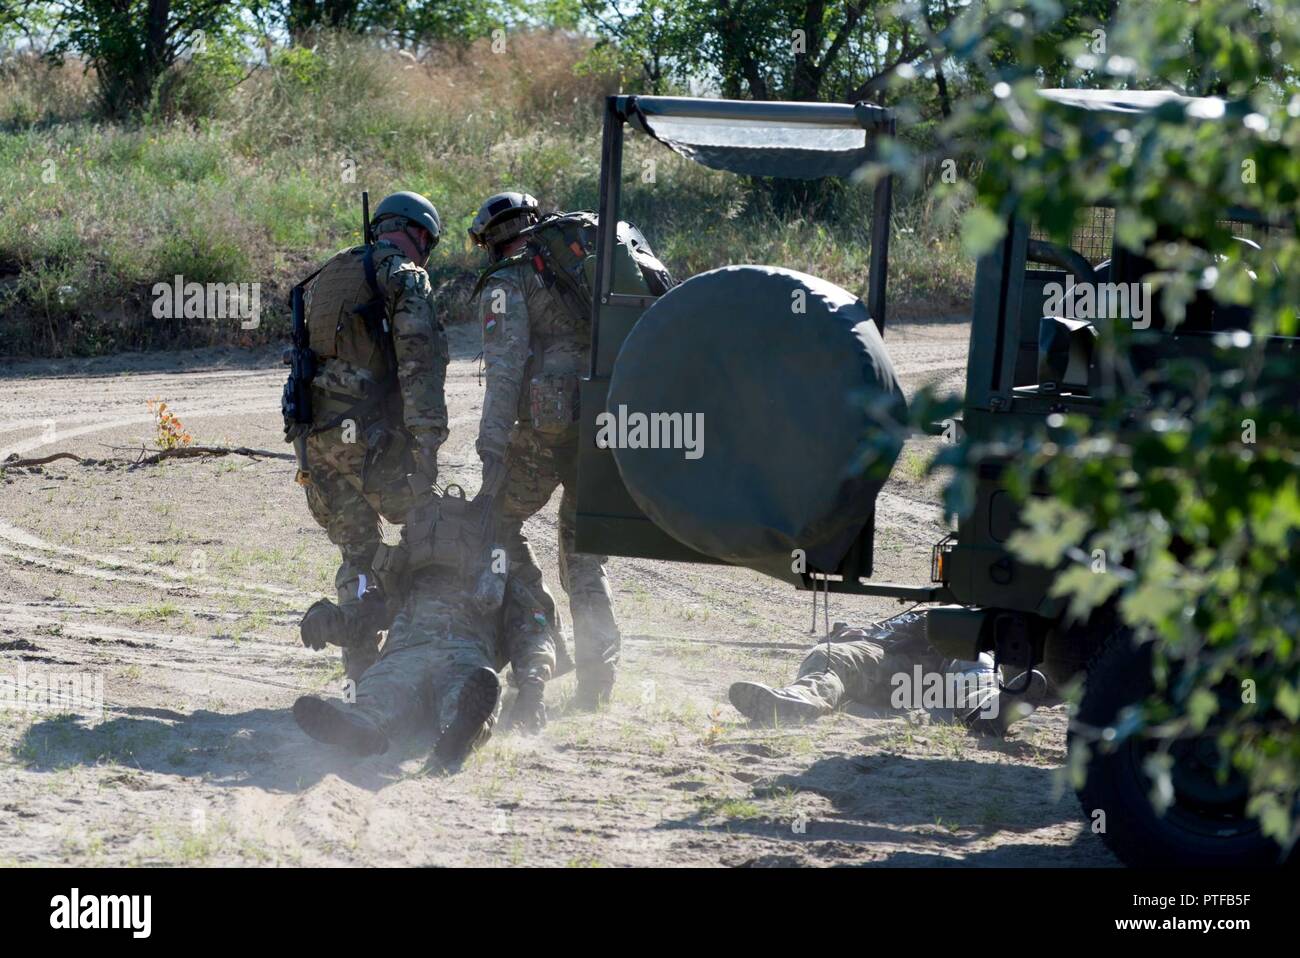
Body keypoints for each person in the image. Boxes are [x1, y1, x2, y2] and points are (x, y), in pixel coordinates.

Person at [467, 191, 620, 708]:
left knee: (497, 523)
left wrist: (490, 445)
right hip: (607, 414)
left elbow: (506, 368)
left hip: (545, 427)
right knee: (584, 553)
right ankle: (598, 683)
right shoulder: (579, 263)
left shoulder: (509, 280)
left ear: (490, 240)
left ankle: (543, 638)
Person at [293, 191, 449, 682]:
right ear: (419, 233)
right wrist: (427, 440)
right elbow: (418, 361)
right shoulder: (403, 275)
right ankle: (416, 659)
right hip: (368, 438)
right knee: (432, 531)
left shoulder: (327, 274)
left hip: (313, 441)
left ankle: (359, 668)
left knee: (358, 556)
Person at [293, 490, 556, 762]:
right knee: (379, 696)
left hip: (461, 661)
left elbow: (533, 634)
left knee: (467, 697)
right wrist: (323, 618)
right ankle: (357, 731)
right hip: (406, 661)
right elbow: (362, 615)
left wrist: (532, 687)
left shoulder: (499, 580)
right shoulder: (401, 581)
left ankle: (459, 734)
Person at [727, 611, 1049, 735]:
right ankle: (793, 702)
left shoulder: (965, 624)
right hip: (882, 657)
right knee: (831, 657)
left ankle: (992, 711)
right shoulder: (870, 634)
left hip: (936, 674)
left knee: (975, 661)